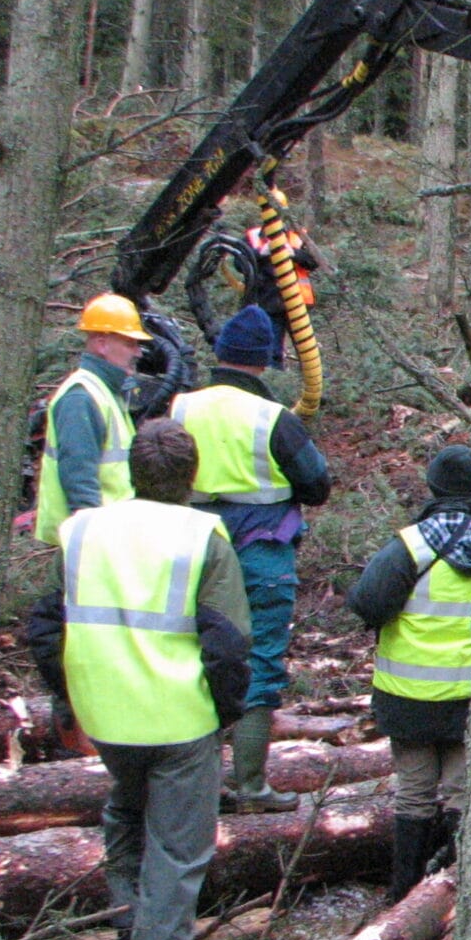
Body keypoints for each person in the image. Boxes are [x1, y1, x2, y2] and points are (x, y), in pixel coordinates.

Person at [24, 420, 252, 940]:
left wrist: (72, 696)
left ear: (130, 472)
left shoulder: (82, 531)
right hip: (180, 721)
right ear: (193, 475)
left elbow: (43, 627)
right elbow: (230, 646)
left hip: (109, 720)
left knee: (127, 829)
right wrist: (225, 714)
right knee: (176, 864)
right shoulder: (203, 536)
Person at [170, 305, 333, 812]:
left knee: (189, 659)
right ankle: (250, 787)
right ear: (267, 360)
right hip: (260, 555)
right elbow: (317, 484)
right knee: (259, 663)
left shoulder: (178, 408)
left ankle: (192, 783)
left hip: (189, 550)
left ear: (219, 354)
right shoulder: (273, 419)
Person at [347, 444, 471, 901]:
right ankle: (453, 890)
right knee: (463, 793)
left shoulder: (411, 544)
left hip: (406, 698)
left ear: (434, 488)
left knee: (415, 793)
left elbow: (367, 603)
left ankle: (403, 891)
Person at [33, 294, 149, 544]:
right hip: (91, 540)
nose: (138, 352)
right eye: (130, 343)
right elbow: (79, 479)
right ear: (101, 343)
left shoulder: (105, 391)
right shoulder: (82, 397)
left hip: (102, 535)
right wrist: (92, 541)